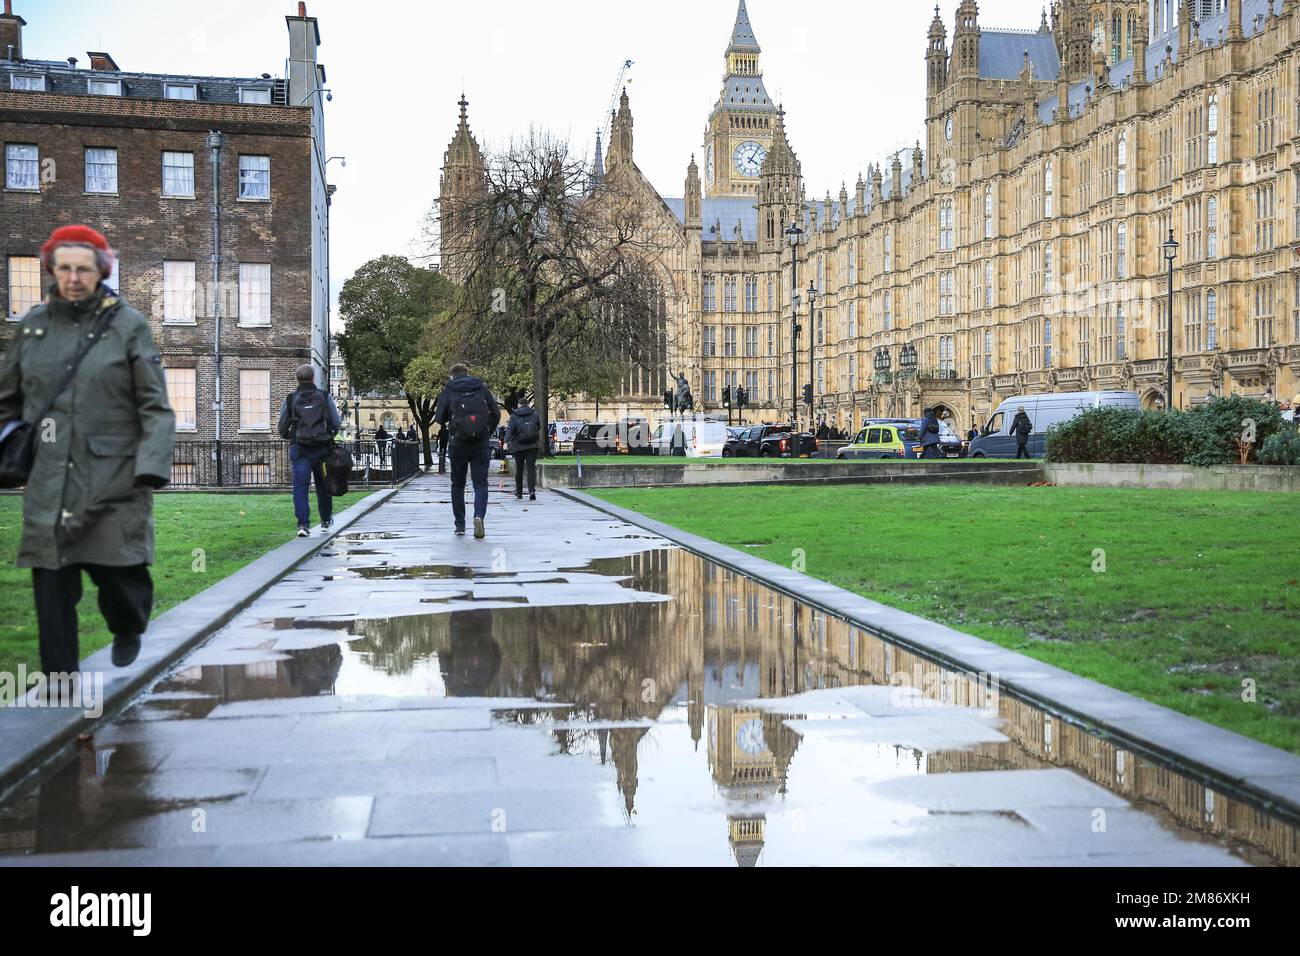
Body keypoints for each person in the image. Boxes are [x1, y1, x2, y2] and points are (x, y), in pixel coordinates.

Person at [0, 225, 175, 672]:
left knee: (119, 575)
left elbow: (155, 406)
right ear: (51, 270)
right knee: (52, 586)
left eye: (83, 268)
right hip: (49, 477)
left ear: (101, 271)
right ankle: (59, 683)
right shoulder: (32, 328)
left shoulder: (128, 326)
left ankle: (128, 624)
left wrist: (151, 466)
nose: (73, 277)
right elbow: (7, 401)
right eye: (64, 268)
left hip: (114, 477)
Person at [434, 363, 500, 538]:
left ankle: (460, 525)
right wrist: (487, 430)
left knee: (457, 484)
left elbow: (439, 417)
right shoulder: (481, 387)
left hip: (458, 443)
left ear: (452, 376)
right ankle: (478, 516)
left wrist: (452, 426)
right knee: (480, 483)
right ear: (468, 374)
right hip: (481, 442)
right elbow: (496, 412)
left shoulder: (449, 389)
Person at [277, 364, 341, 537]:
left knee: (300, 487)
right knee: (323, 486)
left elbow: (281, 425)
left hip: (300, 449)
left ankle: (303, 525)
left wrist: (289, 436)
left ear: (297, 379)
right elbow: (336, 422)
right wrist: (330, 434)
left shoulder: (291, 398)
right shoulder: (324, 396)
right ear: (313, 378)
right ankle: (326, 520)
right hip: (322, 448)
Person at [505, 402, 541, 500]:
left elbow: (510, 430)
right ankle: (532, 491)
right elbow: (538, 427)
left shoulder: (514, 415)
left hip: (518, 446)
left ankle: (519, 492)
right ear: (527, 404)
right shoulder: (535, 414)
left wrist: (506, 441)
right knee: (531, 469)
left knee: (519, 469)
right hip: (533, 446)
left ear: (519, 404)